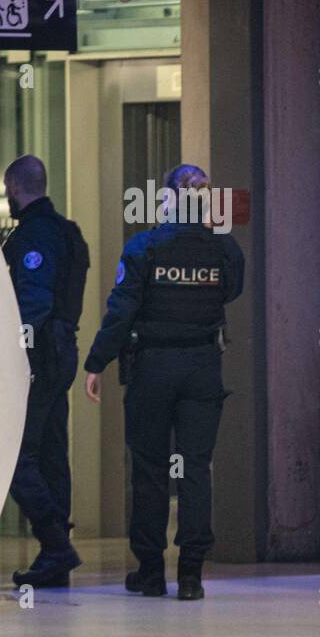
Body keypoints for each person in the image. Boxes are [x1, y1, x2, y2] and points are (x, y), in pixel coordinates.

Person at [83, 164, 244, 600]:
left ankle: (151, 573)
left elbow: (122, 311)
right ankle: (191, 576)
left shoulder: (144, 248)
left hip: (152, 368)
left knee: (151, 472)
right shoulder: (224, 250)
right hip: (202, 367)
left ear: (171, 199)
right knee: (196, 470)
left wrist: (97, 362)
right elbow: (230, 292)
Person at [2, 154, 90, 588]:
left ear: (16, 188)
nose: (8, 199)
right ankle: (54, 556)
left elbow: (32, 304)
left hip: (38, 355)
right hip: (64, 352)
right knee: (53, 452)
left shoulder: (32, 236)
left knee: (17, 458)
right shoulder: (70, 233)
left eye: (8, 192)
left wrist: (13, 351)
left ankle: (55, 542)